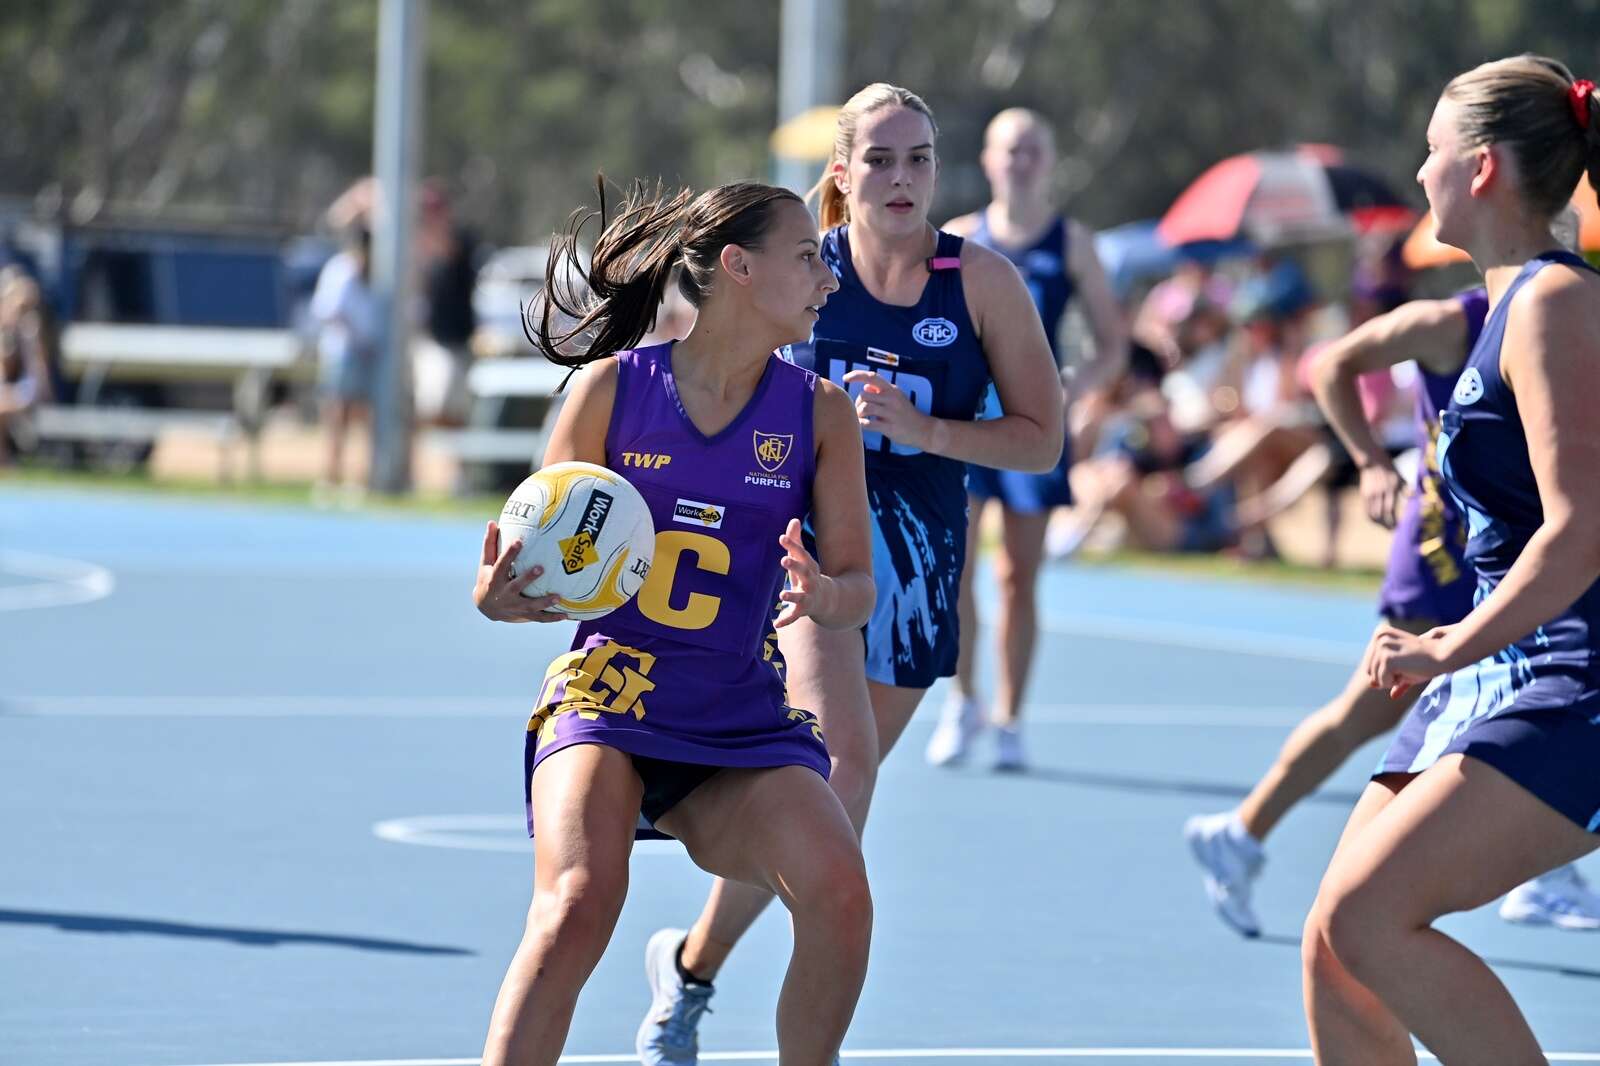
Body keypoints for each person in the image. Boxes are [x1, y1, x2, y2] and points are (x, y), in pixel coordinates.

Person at [637, 83, 1063, 1065]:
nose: (902, 177)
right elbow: (706, 376)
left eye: (918, 158)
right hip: (802, 556)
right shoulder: (801, 273)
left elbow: (1042, 443)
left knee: (825, 790)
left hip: (916, 571)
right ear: (841, 174)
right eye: (879, 158)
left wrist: (926, 432)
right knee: (843, 767)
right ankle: (811, 979)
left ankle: (693, 970)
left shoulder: (980, 283)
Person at [471, 178, 874, 1066]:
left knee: (842, 892)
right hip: (609, 696)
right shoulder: (612, 391)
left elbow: (858, 586)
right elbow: (525, 557)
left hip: (734, 710)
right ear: (738, 267)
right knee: (577, 904)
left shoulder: (818, 414)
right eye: (807, 256)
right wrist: (497, 596)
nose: (827, 276)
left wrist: (822, 594)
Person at [1300, 56, 1600, 1064]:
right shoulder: (1502, 304)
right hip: (1495, 665)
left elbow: (1578, 530)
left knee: (1371, 919)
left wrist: (1448, 644)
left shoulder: (1553, 305)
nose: (1416, 173)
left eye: (1429, 152)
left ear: (1478, 170)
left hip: (1572, 674)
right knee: (1333, 949)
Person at [1184, 250, 1598, 938]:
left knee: (1505, 704)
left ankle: (1540, 873)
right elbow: (1331, 365)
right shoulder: (1451, 322)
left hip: (1504, 556)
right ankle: (1242, 830)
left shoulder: (1560, 315)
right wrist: (1370, 460)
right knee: (1369, 711)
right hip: (1443, 552)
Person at [926, 106, 1129, 771]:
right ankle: (963, 701)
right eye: (1009, 149)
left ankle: (1011, 717)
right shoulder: (958, 237)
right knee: (953, 570)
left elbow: (1112, 342)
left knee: (1018, 576)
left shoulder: (1072, 242)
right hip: (965, 422)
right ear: (988, 159)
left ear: (1048, 160)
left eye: (1033, 149)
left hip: (1034, 426)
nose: (1020, 160)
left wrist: (1071, 391)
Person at [309, 224, 381, 504]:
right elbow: (329, 309)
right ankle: (330, 478)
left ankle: (358, 480)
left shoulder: (377, 271)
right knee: (337, 416)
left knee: (365, 417)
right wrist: (357, 337)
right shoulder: (340, 270)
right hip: (343, 354)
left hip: (370, 356)